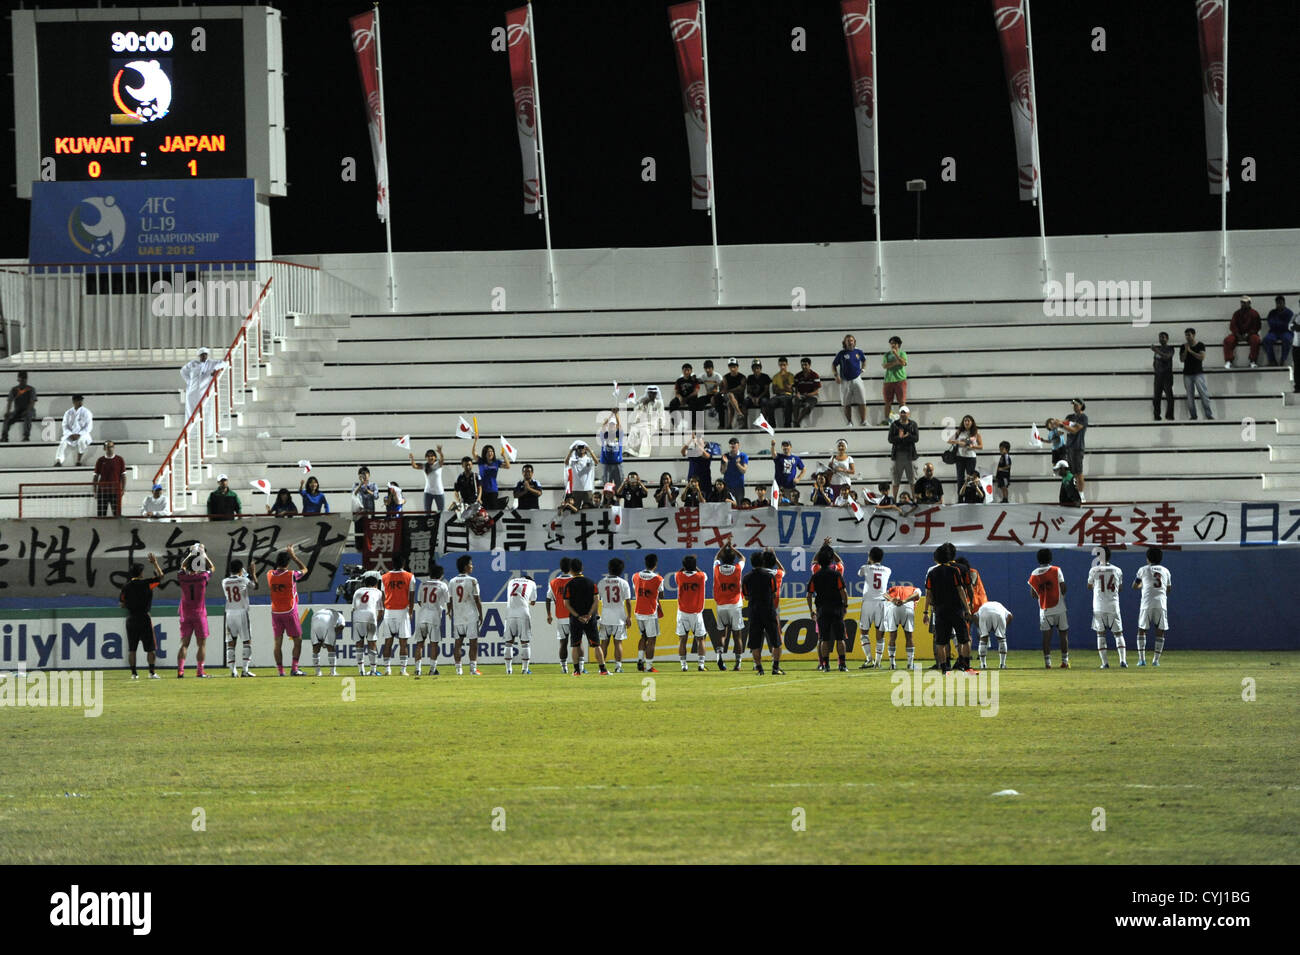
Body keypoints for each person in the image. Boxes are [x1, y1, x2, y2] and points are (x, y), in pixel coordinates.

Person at [921, 544, 971, 673]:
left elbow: (928, 594)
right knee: (963, 639)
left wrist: (925, 612)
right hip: (955, 609)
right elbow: (960, 590)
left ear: (936, 558)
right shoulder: (955, 571)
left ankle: (944, 668)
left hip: (940, 611)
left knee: (941, 642)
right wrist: (967, 609)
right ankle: (966, 665)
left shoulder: (932, 572)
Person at [120, 553, 164, 679]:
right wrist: (155, 563)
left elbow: (122, 603)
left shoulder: (126, 587)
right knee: (150, 647)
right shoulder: (147, 583)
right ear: (141, 573)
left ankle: (134, 674)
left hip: (131, 619)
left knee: (132, 649)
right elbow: (160, 577)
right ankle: (151, 672)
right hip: (144, 618)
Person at [268, 547, 309, 676]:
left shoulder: (269, 574)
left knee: (277, 642)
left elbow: (275, 571)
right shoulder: (291, 574)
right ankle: (294, 668)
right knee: (298, 640)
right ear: (288, 562)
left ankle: (281, 671)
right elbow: (305, 570)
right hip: (290, 611)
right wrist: (294, 556)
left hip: (276, 612)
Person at [564, 558, 609, 676]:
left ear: (570, 570)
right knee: (596, 644)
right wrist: (589, 614)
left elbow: (566, 604)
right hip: (590, 618)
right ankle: (603, 669)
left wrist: (577, 616)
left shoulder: (569, 584)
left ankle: (576, 671)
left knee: (575, 644)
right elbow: (596, 600)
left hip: (575, 619)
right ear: (582, 569)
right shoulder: (591, 583)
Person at [743, 550, 784, 675]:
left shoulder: (746, 578)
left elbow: (745, 596)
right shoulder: (770, 576)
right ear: (762, 562)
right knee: (776, 641)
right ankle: (775, 668)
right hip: (769, 611)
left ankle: (759, 669)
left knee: (755, 643)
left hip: (754, 612)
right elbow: (773, 593)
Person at [1086, 545, 1127, 669]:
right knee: (1118, 634)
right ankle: (1123, 661)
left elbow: (1089, 586)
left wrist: (1097, 588)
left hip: (1099, 606)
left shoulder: (1094, 570)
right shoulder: (1117, 570)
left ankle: (1105, 663)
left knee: (1100, 634)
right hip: (1113, 606)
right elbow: (1120, 588)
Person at [176, 544, 214, 678]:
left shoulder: (183, 577)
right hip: (199, 614)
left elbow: (182, 567)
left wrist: (191, 554)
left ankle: (180, 671)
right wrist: (203, 554)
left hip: (185, 614)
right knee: (201, 644)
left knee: (184, 644)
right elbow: (212, 568)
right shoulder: (202, 577)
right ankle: (200, 671)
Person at [1028, 547, 1069, 669]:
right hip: (1059, 607)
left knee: (1046, 637)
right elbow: (1063, 587)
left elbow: (1033, 594)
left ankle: (1048, 663)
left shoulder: (1034, 573)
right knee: (1063, 634)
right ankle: (1065, 662)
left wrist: (1043, 595)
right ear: (1050, 558)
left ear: (1038, 559)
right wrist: (1061, 596)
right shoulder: (1056, 570)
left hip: (1044, 609)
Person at [808, 555, 849, 672]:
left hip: (822, 609)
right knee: (840, 638)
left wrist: (811, 610)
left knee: (823, 639)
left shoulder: (815, 573)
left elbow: (809, 595)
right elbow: (843, 591)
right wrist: (845, 606)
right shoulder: (837, 572)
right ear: (831, 560)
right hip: (836, 609)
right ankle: (842, 664)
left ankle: (824, 664)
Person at [1133, 546, 1173, 667]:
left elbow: (1135, 585)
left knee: (1141, 630)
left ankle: (1142, 660)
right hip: (1161, 603)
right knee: (1160, 631)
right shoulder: (1166, 571)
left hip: (1147, 603)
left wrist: (1143, 586)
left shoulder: (1143, 570)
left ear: (1148, 558)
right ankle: (1156, 661)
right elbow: (1168, 589)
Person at [378, 557, 415, 675]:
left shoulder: (384, 577)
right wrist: (411, 611)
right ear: (404, 563)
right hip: (402, 611)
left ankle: (387, 669)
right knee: (403, 642)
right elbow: (412, 595)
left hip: (389, 611)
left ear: (392, 563)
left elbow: (383, 595)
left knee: (388, 641)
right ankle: (403, 670)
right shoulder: (410, 576)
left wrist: (384, 609)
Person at [712, 543, 746, 671]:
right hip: (735, 605)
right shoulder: (737, 568)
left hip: (721, 605)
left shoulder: (717, 568)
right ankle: (738, 663)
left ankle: (719, 656)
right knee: (737, 636)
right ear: (733, 559)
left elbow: (716, 557)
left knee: (722, 634)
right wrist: (733, 548)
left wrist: (724, 547)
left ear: (722, 558)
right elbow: (743, 558)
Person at [673, 554, 710, 671]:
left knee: (682, 640)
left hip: (682, 612)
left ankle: (684, 665)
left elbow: (680, 571)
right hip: (696, 613)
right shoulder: (701, 576)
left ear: (683, 566)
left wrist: (685, 566)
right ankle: (701, 665)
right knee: (701, 639)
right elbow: (700, 572)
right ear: (695, 566)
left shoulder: (678, 576)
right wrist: (694, 566)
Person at [448, 554, 484, 676]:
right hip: (471, 615)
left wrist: (450, 612)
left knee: (458, 643)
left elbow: (450, 600)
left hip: (458, 616)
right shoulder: (473, 581)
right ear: (465, 567)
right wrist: (481, 614)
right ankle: (473, 669)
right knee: (473, 643)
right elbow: (477, 600)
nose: (472, 566)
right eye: (470, 564)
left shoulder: (452, 581)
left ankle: (459, 670)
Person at [221, 559, 257, 678]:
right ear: (241, 570)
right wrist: (253, 573)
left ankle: (233, 671)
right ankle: (245, 670)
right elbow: (255, 586)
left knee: (231, 643)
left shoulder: (224, 581)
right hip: (242, 612)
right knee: (247, 641)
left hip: (229, 613)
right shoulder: (244, 579)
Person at [857, 546, 891, 669]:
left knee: (864, 633)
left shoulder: (865, 568)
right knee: (880, 634)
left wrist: (869, 562)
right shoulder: (888, 570)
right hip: (882, 603)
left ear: (870, 557)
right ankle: (878, 662)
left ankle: (869, 660)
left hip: (868, 603)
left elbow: (860, 573)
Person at [597, 559, 633, 673]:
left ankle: (601, 667)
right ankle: (618, 667)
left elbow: (596, 600)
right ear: (621, 570)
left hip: (605, 617)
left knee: (604, 643)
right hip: (619, 618)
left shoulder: (602, 582)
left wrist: (597, 614)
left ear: (609, 568)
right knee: (618, 643)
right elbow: (628, 601)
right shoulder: (623, 583)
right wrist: (629, 616)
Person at [412, 564, 449, 677]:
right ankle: (432, 669)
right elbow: (448, 601)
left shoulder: (423, 584)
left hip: (421, 616)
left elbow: (419, 601)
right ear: (441, 575)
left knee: (419, 644)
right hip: (434, 617)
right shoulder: (443, 585)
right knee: (433, 644)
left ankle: (418, 670)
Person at [180, 347, 228, 429]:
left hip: (204, 392)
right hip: (192, 392)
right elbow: (183, 371)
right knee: (191, 411)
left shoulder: (212, 363)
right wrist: (189, 381)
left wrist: (215, 370)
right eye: (202, 355)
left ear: (207, 355)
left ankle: (206, 430)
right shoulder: (193, 363)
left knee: (205, 411)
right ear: (199, 356)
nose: (204, 356)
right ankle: (191, 428)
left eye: (205, 354)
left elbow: (225, 363)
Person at [632, 554, 665, 672]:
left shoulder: (635, 576)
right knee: (652, 640)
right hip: (650, 612)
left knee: (643, 636)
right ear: (655, 564)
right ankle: (649, 666)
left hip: (638, 611)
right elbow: (661, 595)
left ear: (645, 563)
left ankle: (640, 659)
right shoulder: (658, 578)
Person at [881, 579, 921, 670]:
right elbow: (917, 594)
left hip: (892, 608)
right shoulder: (914, 589)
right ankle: (910, 665)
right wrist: (905, 600)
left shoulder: (893, 588)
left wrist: (892, 599)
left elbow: (883, 594)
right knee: (909, 637)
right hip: (907, 608)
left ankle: (892, 664)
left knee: (892, 637)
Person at [504, 571, 538, 675]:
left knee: (508, 642)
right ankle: (525, 669)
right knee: (525, 643)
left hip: (510, 612)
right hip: (523, 612)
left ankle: (508, 670)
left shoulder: (511, 581)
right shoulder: (532, 583)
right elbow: (533, 602)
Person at [351, 570, 384, 676]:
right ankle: (373, 670)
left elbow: (354, 608)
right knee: (372, 642)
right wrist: (376, 622)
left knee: (359, 643)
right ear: (375, 584)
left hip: (358, 616)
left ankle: (361, 671)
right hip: (371, 616)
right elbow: (381, 611)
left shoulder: (358, 591)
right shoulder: (378, 592)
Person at [831, 334, 868, 426]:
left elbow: (864, 360)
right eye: (848, 340)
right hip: (845, 381)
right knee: (846, 403)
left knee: (862, 401)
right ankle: (849, 422)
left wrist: (863, 369)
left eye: (851, 340)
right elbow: (833, 365)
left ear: (854, 342)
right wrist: (836, 375)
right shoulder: (841, 353)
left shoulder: (859, 352)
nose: (850, 342)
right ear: (845, 343)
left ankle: (863, 421)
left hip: (857, 379)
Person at [547, 558, 574, 673]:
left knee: (563, 642)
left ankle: (564, 667)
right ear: (571, 567)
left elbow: (548, 599)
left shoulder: (554, 582)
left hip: (561, 616)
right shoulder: (575, 580)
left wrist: (549, 614)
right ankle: (581, 667)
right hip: (574, 615)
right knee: (578, 642)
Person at [887, 405, 918, 499]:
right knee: (896, 480)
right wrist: (900, 437)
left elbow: (916, 438)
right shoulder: (894, 425)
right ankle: (895, 499)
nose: (903, 414)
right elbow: (890, 439)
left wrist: (905, 437)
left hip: (910, 456)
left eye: (905, 412)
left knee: (913, 480)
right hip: (897, 456)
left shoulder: (913, 424)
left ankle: (914, 499)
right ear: (899, 414)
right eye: (902, 412)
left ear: (908, 414)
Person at [1222, 295, 1260, 368]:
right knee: (1227, 340)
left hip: (1250, 334)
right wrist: (1237, 334)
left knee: (1256, 340)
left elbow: (1257, 326)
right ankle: (1228, 361)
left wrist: (1248, 334)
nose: (1243, 304)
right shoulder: (1236, 313)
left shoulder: (1254, 313)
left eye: (1245, 302)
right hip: (1238, 335)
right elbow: (1232, 326)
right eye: (1242, 302)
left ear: (1249, 303)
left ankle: (1253, 361)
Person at [1182, 328, 1213, 420]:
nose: (1187, 337)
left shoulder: (1200, 345)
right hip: (1187, 374)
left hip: (1198, 373)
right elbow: (1182, 359)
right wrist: (1186, 350)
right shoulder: (1183, 346)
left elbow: (1202, 357)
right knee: (1190, 396)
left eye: (1189, 335)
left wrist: (1191, 351)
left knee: (1203, 394)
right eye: (1186, 335)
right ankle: (1193, 416)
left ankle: (1208, 415)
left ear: (1194, 335)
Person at [54, 395, 92, 466]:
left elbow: (88, 427)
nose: (80, 402)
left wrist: (79, 434)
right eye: (78, 401)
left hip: (83, 434)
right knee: (63, 442)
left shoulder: (87, 412)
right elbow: (65, 426)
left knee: (82, 441)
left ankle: (78, 461)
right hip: (71, 435)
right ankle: (58, 461)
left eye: (81, 401)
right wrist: (70, 434)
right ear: (74, 402)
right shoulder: (68, 413)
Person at [472, 439, 511, 509]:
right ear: (485, 453)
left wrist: (504, 456)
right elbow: (473, 453)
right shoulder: (481, 461)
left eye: (491, 451)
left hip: (493, 490)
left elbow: (508, 466)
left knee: (493, 510)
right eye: (488, 452)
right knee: (484, 511)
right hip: (482, 490)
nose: (490, 453)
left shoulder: (496, 462)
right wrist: (475, 440)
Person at [309, 606, 346, 678]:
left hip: (315, 619)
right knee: (331, 648)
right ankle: (333, 672)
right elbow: (342, 626)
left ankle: (318, 672)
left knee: (315, 648)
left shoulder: (319, 611)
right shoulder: (340, 616)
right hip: (326, 621)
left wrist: (323, 640)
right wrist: (332, 637)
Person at [1062, 399, 1088, 500]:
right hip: (1069, 447)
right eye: (1073, 405)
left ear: (1081, 405)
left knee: (1079, 472)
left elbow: (1074, 430)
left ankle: (1081, 494)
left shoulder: (1083, 417)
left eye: (1076, 404)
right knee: (1072, 472)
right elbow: (1062, 429)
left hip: (1077, 447)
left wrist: (1061, 424)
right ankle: (1075, 492)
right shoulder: (1070, 416)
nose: (1074, 406)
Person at [91, 441, 126, 517]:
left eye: (111, 447)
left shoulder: (119, 460)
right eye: (108, 447)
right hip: (103, 492)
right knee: (101, 515)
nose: (110, 449)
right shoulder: (100, 460)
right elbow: (95, 477)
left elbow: (123, 476)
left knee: (117, 514)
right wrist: (95, 491)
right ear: (104, 448)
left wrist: (123, 489)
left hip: (115, 491)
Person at [947, 414, 982, 488]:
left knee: (970, 478)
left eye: (968, 421)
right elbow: (949, 440)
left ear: (972, 422)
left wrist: (973, 446)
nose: (966, 422)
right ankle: (960, 498)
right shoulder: (959, 432)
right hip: (960, 457)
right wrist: (959, 442)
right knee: (960, 479)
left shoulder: (976, 433)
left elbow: (981, 446)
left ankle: (970, 497)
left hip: (971, 458)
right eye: (965, 421)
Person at [976, 600, 1013, 671]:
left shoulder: (983, 607)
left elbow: (974, 616)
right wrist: (1003, 628)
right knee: (1002, 639)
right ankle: (1002, 664)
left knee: (983, 638)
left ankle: (983, 664)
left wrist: (982, 629)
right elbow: (1010, 616)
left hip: (984, 614)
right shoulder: (1000, 606)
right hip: (999, 614)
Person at [409, 447, 446, 513]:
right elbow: (414, 466)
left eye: (432, 456)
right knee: (427, 512)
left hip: (439, 492)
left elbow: (442, 459)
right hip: (428, 492)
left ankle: (440, 523)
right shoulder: (424, 466)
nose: (430, 457)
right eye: (428, 456)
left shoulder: (438, 464)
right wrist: (412, 459)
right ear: (426, 458)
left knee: (441, 512)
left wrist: (440, 453)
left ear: (435, 457)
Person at [2, 370, 36, 442]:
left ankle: (26, 436)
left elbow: (32, 402)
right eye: (21, 380)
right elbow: (10, 401)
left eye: (23, 380)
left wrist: (27, 410)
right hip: (17, 411)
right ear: (18, 380)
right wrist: (8, 412)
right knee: (7, 418)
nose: (22, 382)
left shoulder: (31, 389)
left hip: (29, 410)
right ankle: (4, 436)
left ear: (26, 380)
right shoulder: (14, 389)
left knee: (28, 416)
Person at [881, 336, 908, 422]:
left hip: (900, 380)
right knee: (887, 402)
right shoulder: (887, 355)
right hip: (888, 380)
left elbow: (903, 363)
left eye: (895, 343)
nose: (893, 345)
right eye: (891, 343)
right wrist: (896, 362)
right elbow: (885, 366)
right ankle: (887, 420)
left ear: (898, 344)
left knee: (902, 402)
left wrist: (896, 354)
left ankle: (903, 420)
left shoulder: (902, 353)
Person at [763, 357, 796, 428]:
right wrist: (785, 389)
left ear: (787, 364)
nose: (782, 367)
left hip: (788, 396)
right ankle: (772, 425)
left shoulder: (790, 375)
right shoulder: (775, 376)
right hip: (778, 396)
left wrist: (782, 385)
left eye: (784, 365)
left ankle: (787, 425)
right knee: (769, 403)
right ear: (779, 365)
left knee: (788, 402)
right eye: (781, 365)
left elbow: (790, 390)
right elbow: (774, 390)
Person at [1263, 295, 1295, 366]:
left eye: (1281, 303)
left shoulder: (1289, 313)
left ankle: (1283, 359)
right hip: (1274, 332)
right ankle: (1272, 360)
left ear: (1284, 303)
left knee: (1287, 339)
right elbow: (1271, 323)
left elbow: (1289, 325)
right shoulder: (1272, 313)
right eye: (1278, 303)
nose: (1279, 305)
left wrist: (1278, 324)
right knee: (1266, 340)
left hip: (1287, 332)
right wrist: (1281, 324)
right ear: (1276, 304)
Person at [597, 408, 624, 487]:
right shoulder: (604, 435)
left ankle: (618, 499)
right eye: (610, 425)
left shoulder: (619, 435)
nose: (612, 427)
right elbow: (603, 425)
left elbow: (620, 426)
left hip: (617, 463)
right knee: (607, 485)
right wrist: (611, 414)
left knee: (619, 484)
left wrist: (616, 414)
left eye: (613, 425)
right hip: (607, 464)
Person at [1151, 332, 1175, 421]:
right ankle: (1157, 416)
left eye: (1163, 337)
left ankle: (1170, 416)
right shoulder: (1157, 349)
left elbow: (1167, 357)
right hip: (1158, 377)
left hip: (1167, 376)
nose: (1161, 339)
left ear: (1167, 339)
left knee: (1169, 397)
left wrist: (1156, 350)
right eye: (1160, 337)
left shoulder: (1171, 348)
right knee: (1156, 398)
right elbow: (1155, 362)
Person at [792, 357, 822, 427]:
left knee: (807, 405)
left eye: (805, 365)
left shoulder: (815, 375)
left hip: (812, 396)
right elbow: (796, 389)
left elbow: (816, 392)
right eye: (802, 365)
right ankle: (796, 420)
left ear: (809, 365)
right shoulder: (798, 376)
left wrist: (808, 394)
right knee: (795, 401)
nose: (803, 366)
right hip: (801, 396)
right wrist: (797, 394)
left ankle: (797, 422)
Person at [564, 441, 596, 507]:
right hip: (576, 489)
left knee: (589, 510)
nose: (581, 449)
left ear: (585, 449)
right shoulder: (573, 460)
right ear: (576, 449)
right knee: (575, 509)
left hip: (587, 488)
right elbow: (566, 462)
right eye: (579, 447)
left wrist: (590, 450)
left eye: (582, 447)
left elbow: (596, 462)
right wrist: (571, 450)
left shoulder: (589, 459)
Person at [742, 360, 771, 429]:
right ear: (752, 369)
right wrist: (752, 398)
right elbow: (748, 391)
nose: (756, 370)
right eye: (754, 368)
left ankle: (763, 424)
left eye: (757, 368)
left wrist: (758, 398)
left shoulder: (765, 377)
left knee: (764, 402)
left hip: (763, 397)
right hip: (753, 398)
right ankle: (745, 424)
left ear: (760, 368)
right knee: (744, 402)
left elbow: (766, 390)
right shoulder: (750, 377)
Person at [721, 359, 747, 429]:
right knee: (730, 395)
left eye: (734, 367)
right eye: (731, 367)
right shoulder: (725, 377)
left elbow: (741, 389)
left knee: (730, 403)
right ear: (728, 367)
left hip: (739, 397)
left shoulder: (742, 377)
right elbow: (725, 390)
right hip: (729, 396)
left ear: (737, 367)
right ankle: (739, 413)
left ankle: (729, 425)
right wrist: (735, 389)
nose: (732, 369)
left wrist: (730, 390)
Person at [721, 437, 748, 503]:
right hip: (727, 486)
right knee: (727, 506)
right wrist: (726, 463)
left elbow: (744, 471)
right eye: (731, 444)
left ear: (738, 445)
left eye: (734, 443)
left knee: (739, 505)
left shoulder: (743, 456)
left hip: (739, 486)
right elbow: (722, 471)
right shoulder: (725, 456)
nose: (732, 445)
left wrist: (737, 464)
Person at [697, 360, 725, 424]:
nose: (707, 370)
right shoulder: (703, 376)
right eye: (706, 368)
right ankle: (699, 424)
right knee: (698, 401)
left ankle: (721, 424)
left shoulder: (717, 376)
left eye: (709, 368)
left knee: (720, 404)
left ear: (712, 368)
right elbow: (697, 378)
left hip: (718, 395)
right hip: (709, 395)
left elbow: (722, 389)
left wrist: (716, 395)